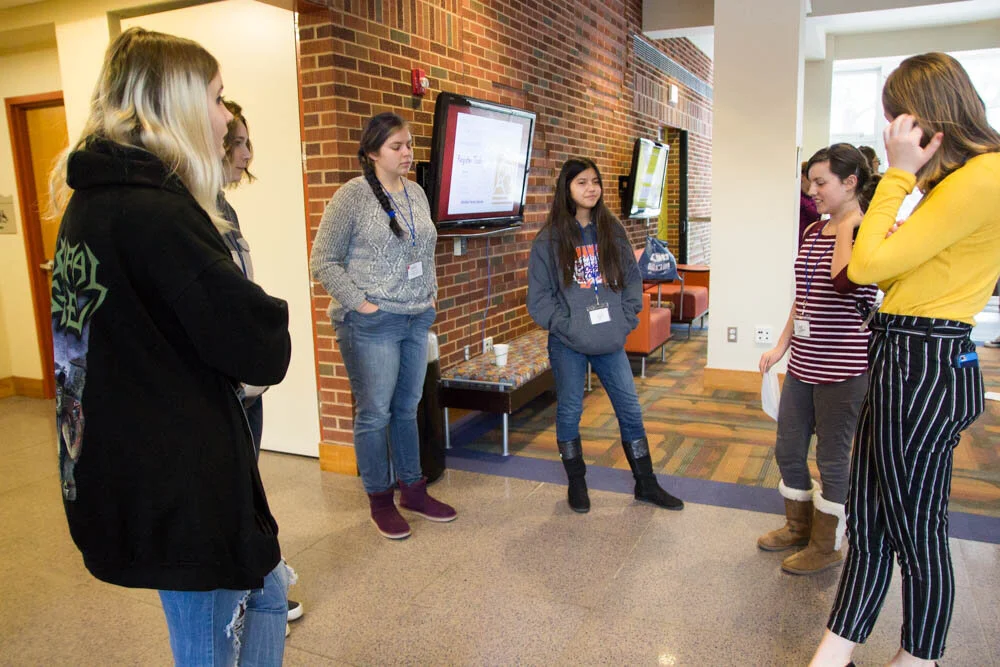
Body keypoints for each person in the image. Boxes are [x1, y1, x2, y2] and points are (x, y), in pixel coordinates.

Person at [49, 28, 292, 664]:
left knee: (266, 597)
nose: (223, 117)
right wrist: (271, 311)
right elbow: (259, 345)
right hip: (177, 480)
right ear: (175, 104)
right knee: (208, 643)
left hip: (136, 464)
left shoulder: (90, 205)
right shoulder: (157, 214)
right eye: (215, 98)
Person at [811, 52, 1000, 667]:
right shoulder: (960, 182)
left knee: (917, 529)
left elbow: (863, 267)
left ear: (925, 120)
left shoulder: (986, 177)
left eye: (895, 118)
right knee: (868, 522)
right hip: (903, 352)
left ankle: (919, 658)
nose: (892, 131)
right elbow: (896, 279)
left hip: (925, 360)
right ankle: (834, 651)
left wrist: (893, 175)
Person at [310, 112, 456, 540]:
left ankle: (412, 488)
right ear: (373, 152)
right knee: (374, 413)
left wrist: (431, 291)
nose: (407, 152)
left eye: (409, 145)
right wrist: (362, 303)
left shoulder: (415, 193)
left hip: (415, 315)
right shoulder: (351, 196)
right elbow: (323, 260)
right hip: (372, 322)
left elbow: (425, 248)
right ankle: (380, 498)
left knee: (407, 407)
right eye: (397, 146)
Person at [527, 157, 684, 513]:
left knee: (630, 409)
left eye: (595, 181)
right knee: (569, 411)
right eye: (582, 182)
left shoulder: (612, 231)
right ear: (566, 189)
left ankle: (646, 484)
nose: (591, 188)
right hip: (568, 342)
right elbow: (538, 301)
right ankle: (577, 484)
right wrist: (569, 327)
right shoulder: (548, 240)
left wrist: (626, 318)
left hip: (609, 339)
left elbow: (632, 279)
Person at [757, 144, 878, 575]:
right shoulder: (813, 232)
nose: (812, 192)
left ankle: (828, 545)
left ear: (851, 183)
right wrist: (781, 345)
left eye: (820, 182)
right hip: (804, 364)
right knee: (788, 447)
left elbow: (844, 283)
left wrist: (849, 221)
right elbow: (803, 297)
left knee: (831, 458)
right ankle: (798, 527)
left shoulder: (868, 234)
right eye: (809, 182)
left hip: (843, 371)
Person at [219, 99, 304, 631]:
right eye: (239, 142)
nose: (247, 153)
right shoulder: (179, 215)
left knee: (247, 482)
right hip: (222, 386)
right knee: (228, 491)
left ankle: (255, 584)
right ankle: (243, 590)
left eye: (247, 142)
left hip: (247, 385)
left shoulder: (223, 211)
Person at [799, 161, 821, 245]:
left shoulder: (812, 196)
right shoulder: (798, 198)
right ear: (802, 176)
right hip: (799, 241)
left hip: (810, 239)